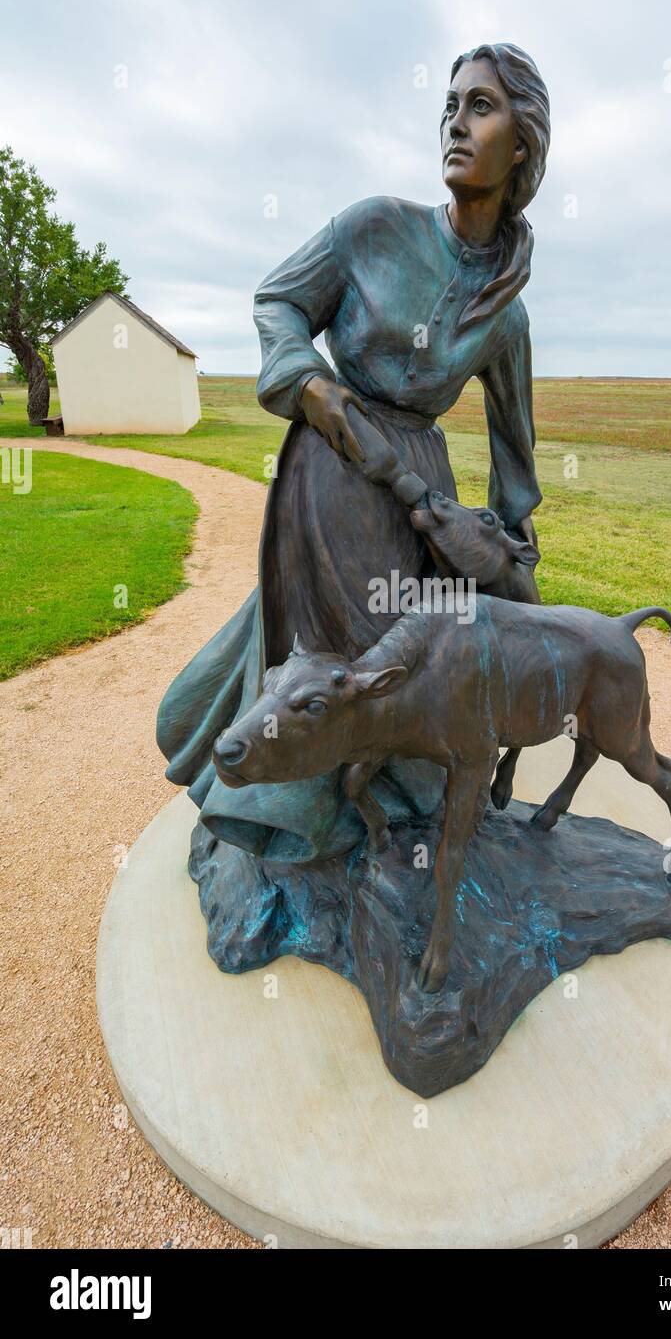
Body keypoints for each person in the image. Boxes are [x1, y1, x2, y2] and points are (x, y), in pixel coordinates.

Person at [158, 43, 551, 864]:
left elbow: (515, 476)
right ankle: (302, 818)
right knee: (336, 671)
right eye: (449, 105)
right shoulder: (372, 227)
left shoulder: (506, 319)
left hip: (421, 499)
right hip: (333, 471)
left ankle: (397, 816)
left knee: (407, 675)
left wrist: (509, 563)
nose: (454, 123)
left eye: (479, 107)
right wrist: (310, 384)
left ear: (522, 145)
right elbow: (278, 300)